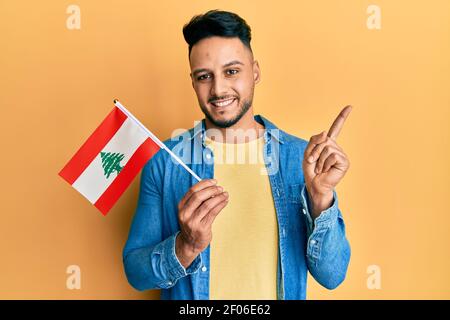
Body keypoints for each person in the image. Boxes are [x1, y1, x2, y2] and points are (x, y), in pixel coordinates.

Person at [123, 9, 351, 300]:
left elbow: (332, 275)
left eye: (232, 71)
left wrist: (321, 200)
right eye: (205, 76)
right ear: (193, 82)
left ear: (255, 72)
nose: (218, 89)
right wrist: (186, 246)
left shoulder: (301, 159)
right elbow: (135, 272)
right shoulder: (165, 162)